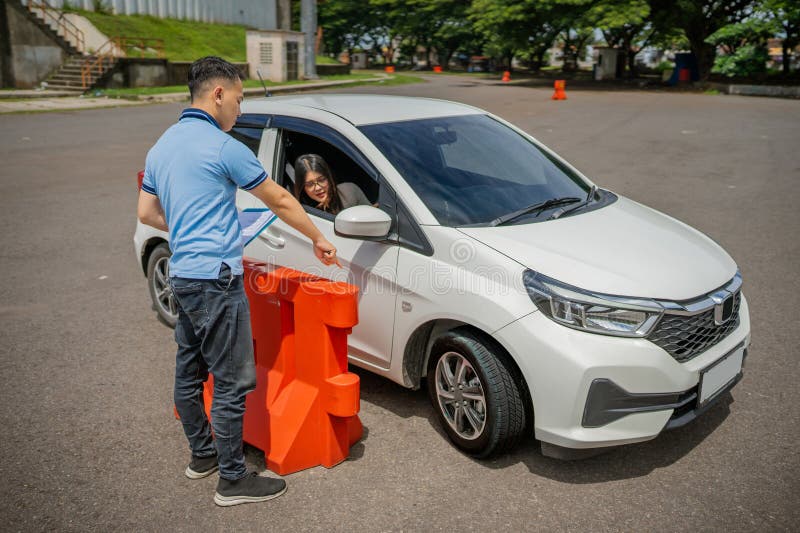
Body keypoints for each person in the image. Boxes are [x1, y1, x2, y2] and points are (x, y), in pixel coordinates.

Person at [137, 56, 340, 507]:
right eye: (240, 99)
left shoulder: (162, 146)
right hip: (216, 280)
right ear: (218, 94)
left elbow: (147, 215)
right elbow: (282, 199)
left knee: (189, 370)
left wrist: (191, 228)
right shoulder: (224, 146)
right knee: (230, 380)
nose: (240, 111)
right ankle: (232, 479)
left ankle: (202, 457)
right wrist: (319, 240)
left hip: (184, 274)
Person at [294, 154, 371, 215]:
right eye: (310, 184)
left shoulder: (349, 191)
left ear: (329, 177)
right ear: (302, 187)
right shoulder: (300, 211)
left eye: (321, 180)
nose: (317, 188)